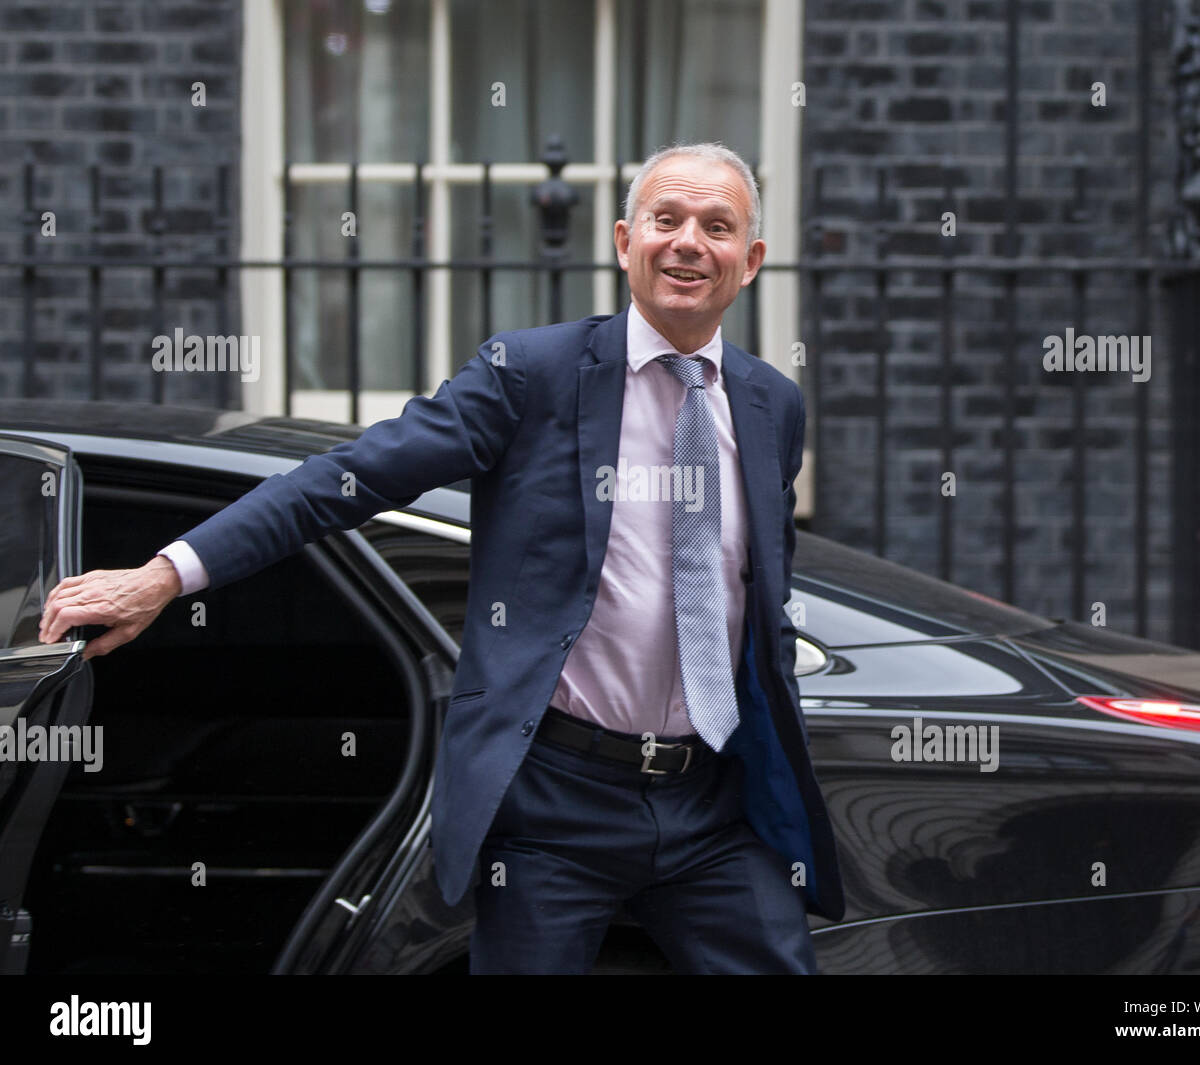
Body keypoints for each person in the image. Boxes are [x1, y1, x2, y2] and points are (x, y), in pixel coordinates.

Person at [38, 142, 845, 974]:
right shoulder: (532, 373)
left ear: (748, 261)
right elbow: (344, 480)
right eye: (665, 219)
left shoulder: (768, 401)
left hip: (713, 802)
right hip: (555, 803)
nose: (687, 243)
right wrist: (162, 576)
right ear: (622, 239)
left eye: (717, 227)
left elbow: (759, 591)